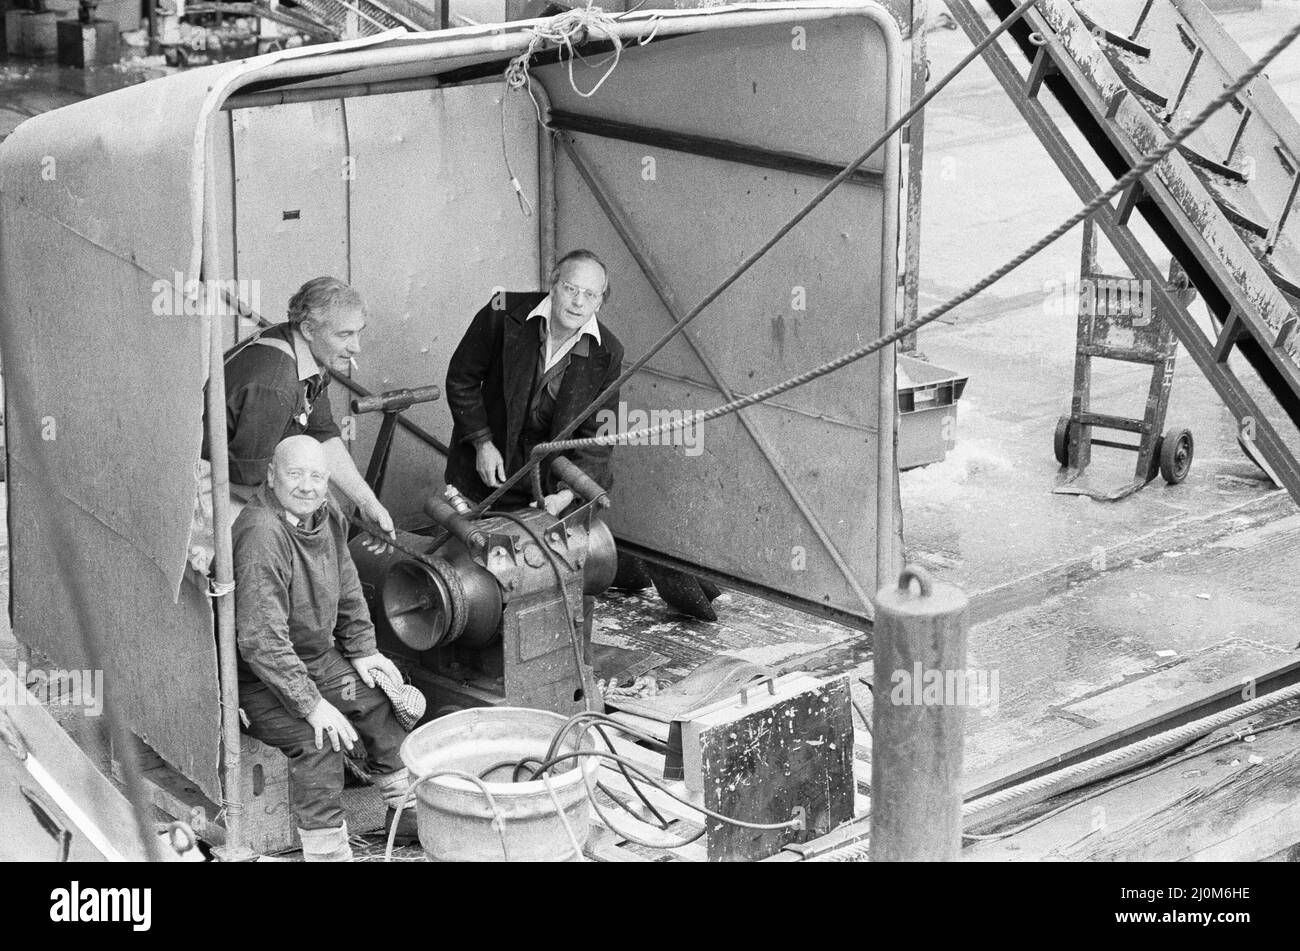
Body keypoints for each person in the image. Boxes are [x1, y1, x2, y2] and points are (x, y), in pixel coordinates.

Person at [233, 435, 416, 861]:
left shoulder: (326, 510)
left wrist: (363, 649)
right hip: (259, 680)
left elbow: (348, 584)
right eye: (295, 474)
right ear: (272, 475)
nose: (307, 486)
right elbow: (261, 642)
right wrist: (312, 705)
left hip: (315, 659)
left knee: (372, 701)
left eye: (317, 476)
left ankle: (405, 811)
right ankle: (327, 853)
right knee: (320, 742)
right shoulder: (262, 533)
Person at [444, 249, 624, 513]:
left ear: (599, 303)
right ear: (553, 284)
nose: (578, 302)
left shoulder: (607, 352)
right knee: (464, 551)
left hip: (545, 491)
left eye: (590, 294)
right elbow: (462, 379)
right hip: (480, 474)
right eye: (571, 288)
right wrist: (482, 443)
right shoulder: (502, 311)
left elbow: (598, 438)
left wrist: (566, 495)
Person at [213, 276, 394, 535]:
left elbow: (321, 434)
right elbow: (245, 481)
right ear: (309, 329)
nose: (356, 347)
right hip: (213, 488)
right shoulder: (276, 384)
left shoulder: (307, 353)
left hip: (246, 478)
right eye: (345, 335)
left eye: (358, 333)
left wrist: (366, 502)